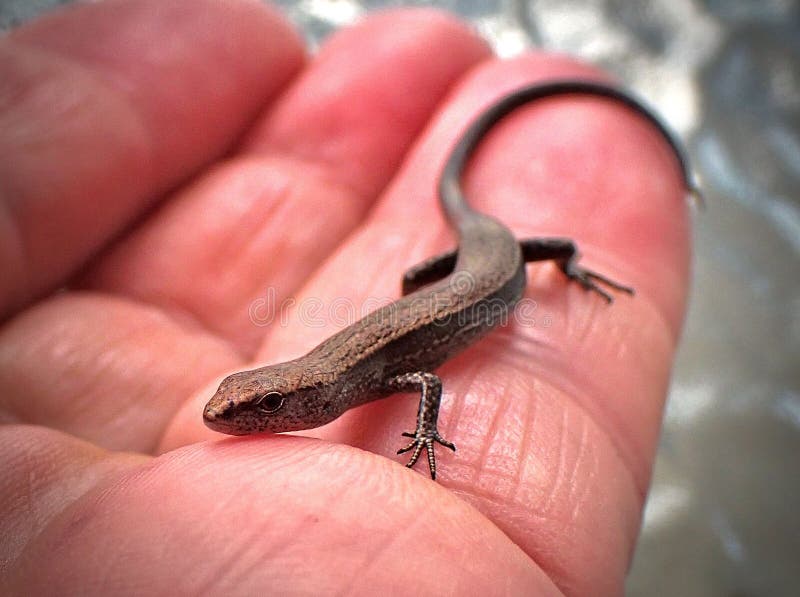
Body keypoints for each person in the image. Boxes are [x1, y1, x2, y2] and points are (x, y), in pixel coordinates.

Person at [0, 1, 691, 594]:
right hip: (463, 273)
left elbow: (426, 378)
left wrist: (426, 430)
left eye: (266, 405)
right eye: (255, 404)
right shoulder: (337, 379)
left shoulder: (356, 381)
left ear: (305, 398)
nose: (241, 418)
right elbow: (418, 372)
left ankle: (569, 260)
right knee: (430, 268)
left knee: (536, 248)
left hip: (500, 271)